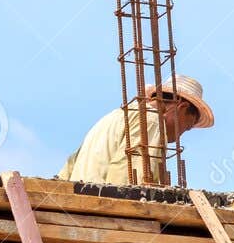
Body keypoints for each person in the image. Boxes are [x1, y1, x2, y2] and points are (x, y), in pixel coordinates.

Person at [56, 76, 214, 187]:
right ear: (182, 107)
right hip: (104, 212)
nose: (181, 135)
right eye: (187, 126)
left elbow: (65, 173)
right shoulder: (151, 121)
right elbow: (129, 183)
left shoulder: (116, 116)